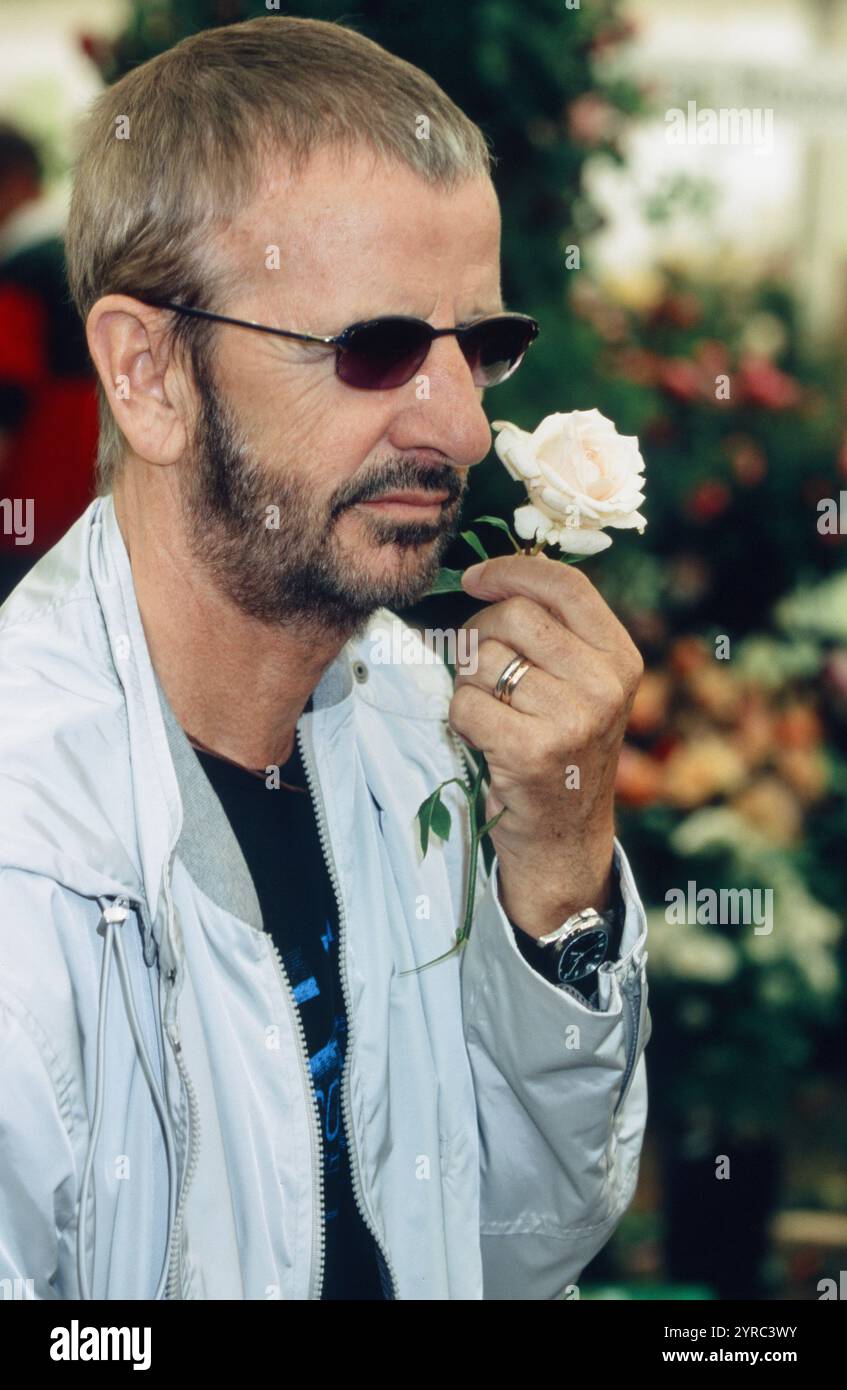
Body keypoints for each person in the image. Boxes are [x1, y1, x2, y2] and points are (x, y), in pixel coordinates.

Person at [0, 15, 650, 1301]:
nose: (462, 424)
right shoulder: (33, 836)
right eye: (376, 349)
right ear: (148, 374)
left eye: (482, 345)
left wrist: (561, 883)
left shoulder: (425, 723)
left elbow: (521, 1246)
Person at [0, 124, 97, 601]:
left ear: (15, 181)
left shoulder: (19, 269)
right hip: (97, 495)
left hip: (29, 498)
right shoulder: (91, 250)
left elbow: (6, 397)